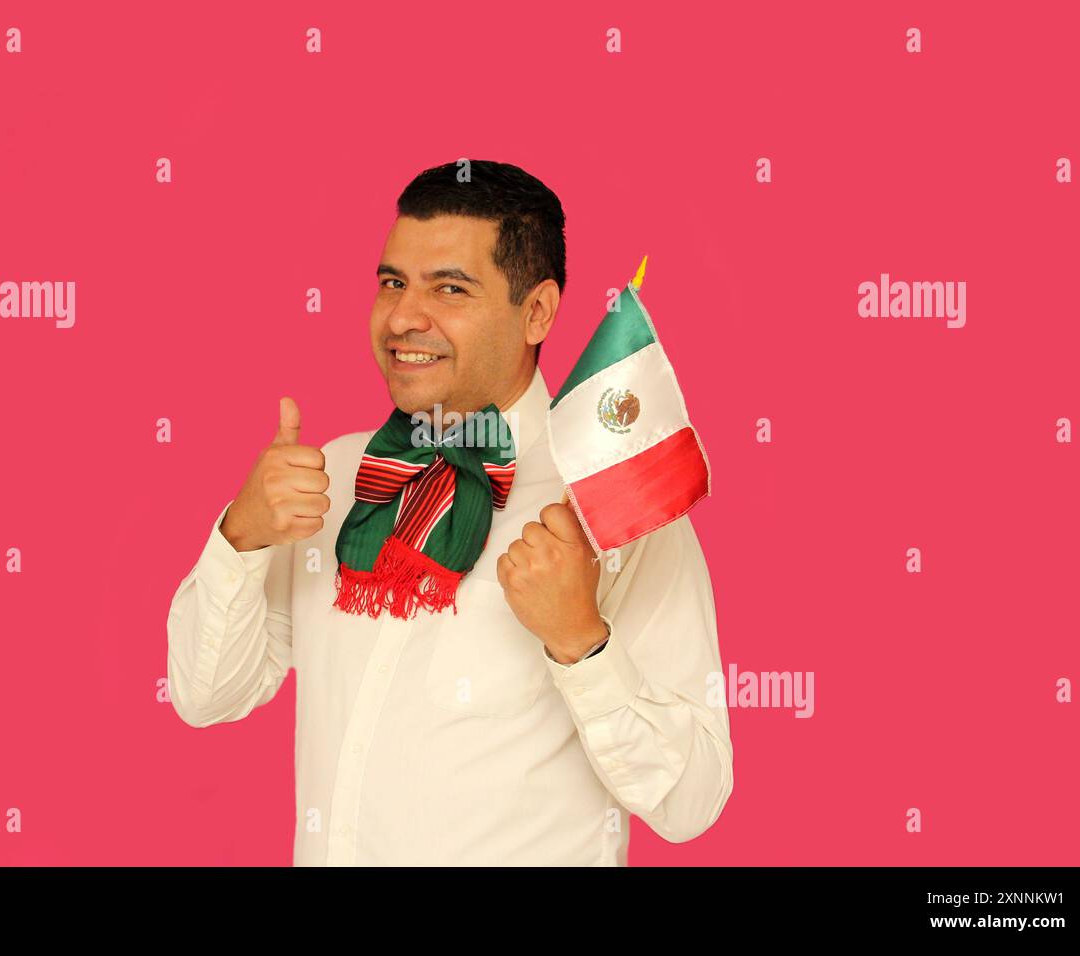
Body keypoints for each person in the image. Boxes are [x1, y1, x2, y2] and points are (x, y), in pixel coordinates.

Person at [166, 159, 733, 865]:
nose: (403, 317)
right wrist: (240, 536)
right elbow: (203, 695)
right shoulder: (335, 476)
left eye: (450, 288)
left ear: (538, 311)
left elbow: (693, 801)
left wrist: (581, 641)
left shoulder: (609, 502)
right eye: (392, 283)